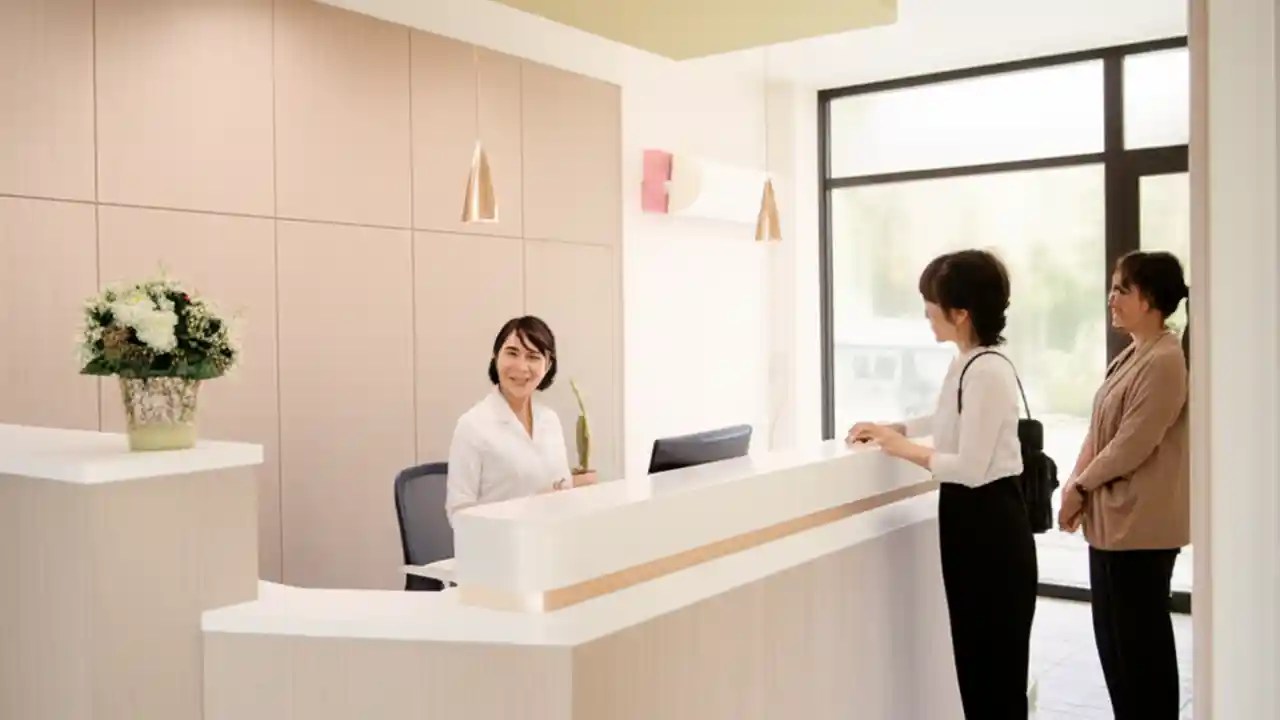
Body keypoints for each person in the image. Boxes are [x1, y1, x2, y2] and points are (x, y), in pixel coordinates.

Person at [848, 249, 1037, 719]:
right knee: (975, 668)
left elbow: (970, 468)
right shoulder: (968, 360)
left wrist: (899, 448)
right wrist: (897, 428)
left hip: (991, 529)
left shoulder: (988, 369)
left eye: (932, 304)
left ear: (961, 312)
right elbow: (947, 417)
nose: (926, 313)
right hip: (969, 526)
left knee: (994, 674)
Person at [1058, 251, 1189, 720]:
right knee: (1115, 646)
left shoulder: (1166, 360)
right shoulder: (1134, 354)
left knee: (1140, 649)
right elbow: (1099, 432)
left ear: (1151, 299)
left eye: (1122, 290)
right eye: (1113, 288)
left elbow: (1133, 443)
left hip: (1142, 526)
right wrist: (1074, 482)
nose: (1111, 298)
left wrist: (1080, 487)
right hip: (1112, 525)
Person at [445, 316, 596, 525]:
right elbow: (459, 514)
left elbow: (558, 489)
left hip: (549, 543)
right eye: (512, 353)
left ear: (548, 365)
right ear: (495, 357)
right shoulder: (472, 426)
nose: (522, 367)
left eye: (533, 357)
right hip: (499, 550)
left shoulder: (549, 420)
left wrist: (577, 487)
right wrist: (530, 507)